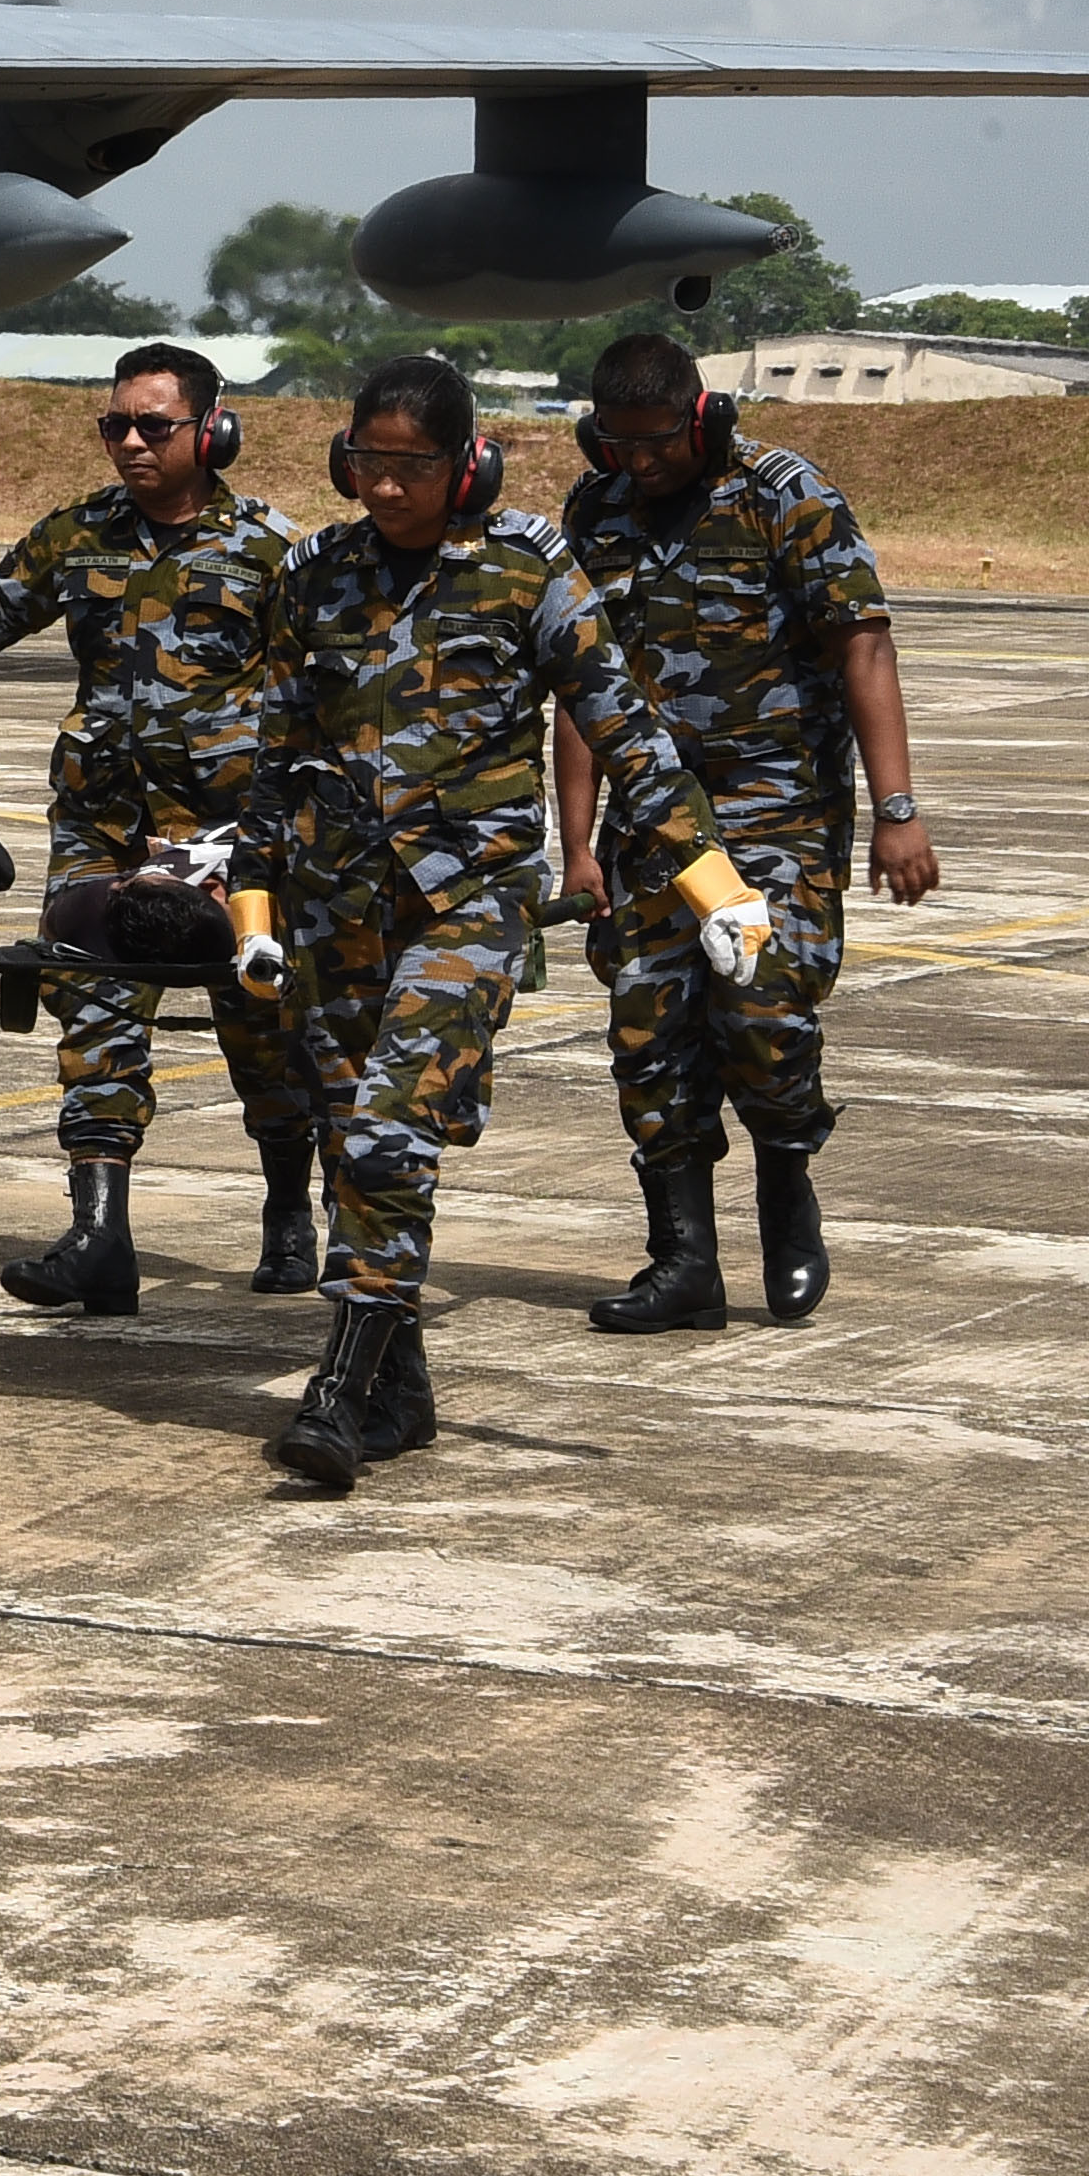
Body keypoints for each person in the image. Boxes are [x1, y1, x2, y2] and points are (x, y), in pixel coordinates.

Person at [248, 353, 751, 1495]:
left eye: (409, 464)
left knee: (387, 1129)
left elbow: (627, 731)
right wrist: (251, 899)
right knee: (352, 1151)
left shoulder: (527, 569)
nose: (383, 488)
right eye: (367, 462)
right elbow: (277, 752)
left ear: (465, 461)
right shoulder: (312, 571)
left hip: (464, 904)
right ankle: (401, 1392)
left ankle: (334, 1390)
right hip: (336, 904)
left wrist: (711, 881)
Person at [546, 332, 933, 1332]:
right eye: (617, 444)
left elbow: (864, 648)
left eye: (659, 442)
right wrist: (578, 844)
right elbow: (583, 687)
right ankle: (683, 1263)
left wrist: (896, 809)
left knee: (761, 1015)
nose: (640, 463)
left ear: (702, 415)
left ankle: (785, 1173)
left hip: (775, 810)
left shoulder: (783, 494)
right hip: (648, 821)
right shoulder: (595, 510)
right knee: (647, 1038)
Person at [0, 343, 312, 1315]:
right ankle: (100, 1238)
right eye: (116, 424)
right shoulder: (78, 535)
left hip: (224, 835)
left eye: (154, 424)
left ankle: (287, 1204)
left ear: (211, 429)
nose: (132, 442)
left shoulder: (271, 547)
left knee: (256, 1020)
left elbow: (320, 693)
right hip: (101, 822)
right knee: (92, 1007)